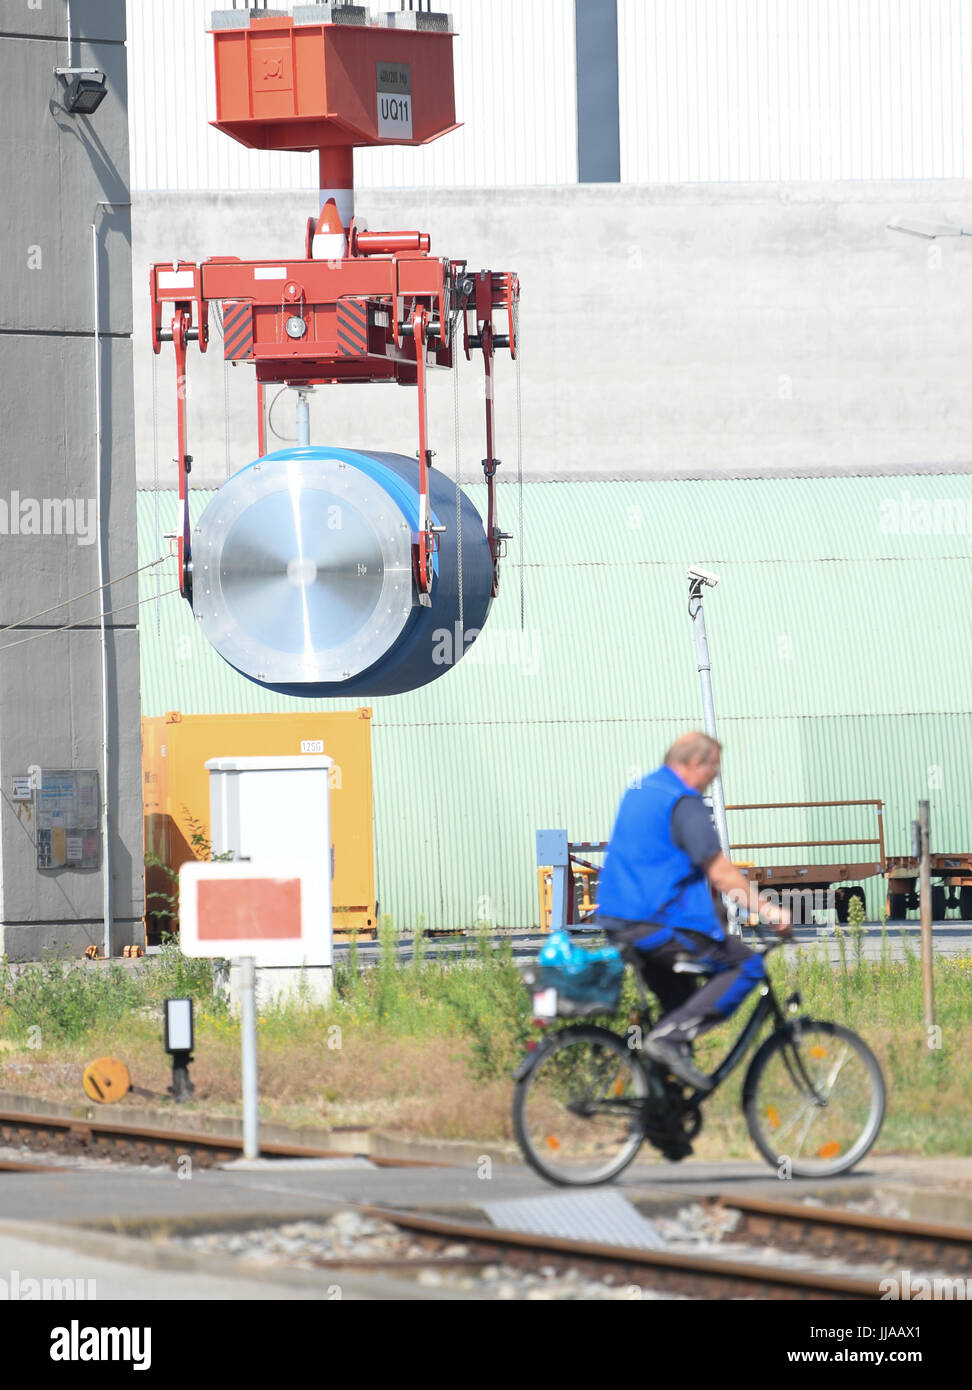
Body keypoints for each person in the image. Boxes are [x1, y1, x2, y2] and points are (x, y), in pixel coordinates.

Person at [596, 731, 791, 1091]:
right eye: (713, 770)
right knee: (746, 964)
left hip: (619, 919)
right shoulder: (682, 801)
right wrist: (767, 909)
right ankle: (667, 1043)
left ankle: (662, 1112)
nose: (714, 778)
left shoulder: (641, 792)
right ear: (694, 764)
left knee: (681, 1004)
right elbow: (718, 870)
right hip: (656, 921)